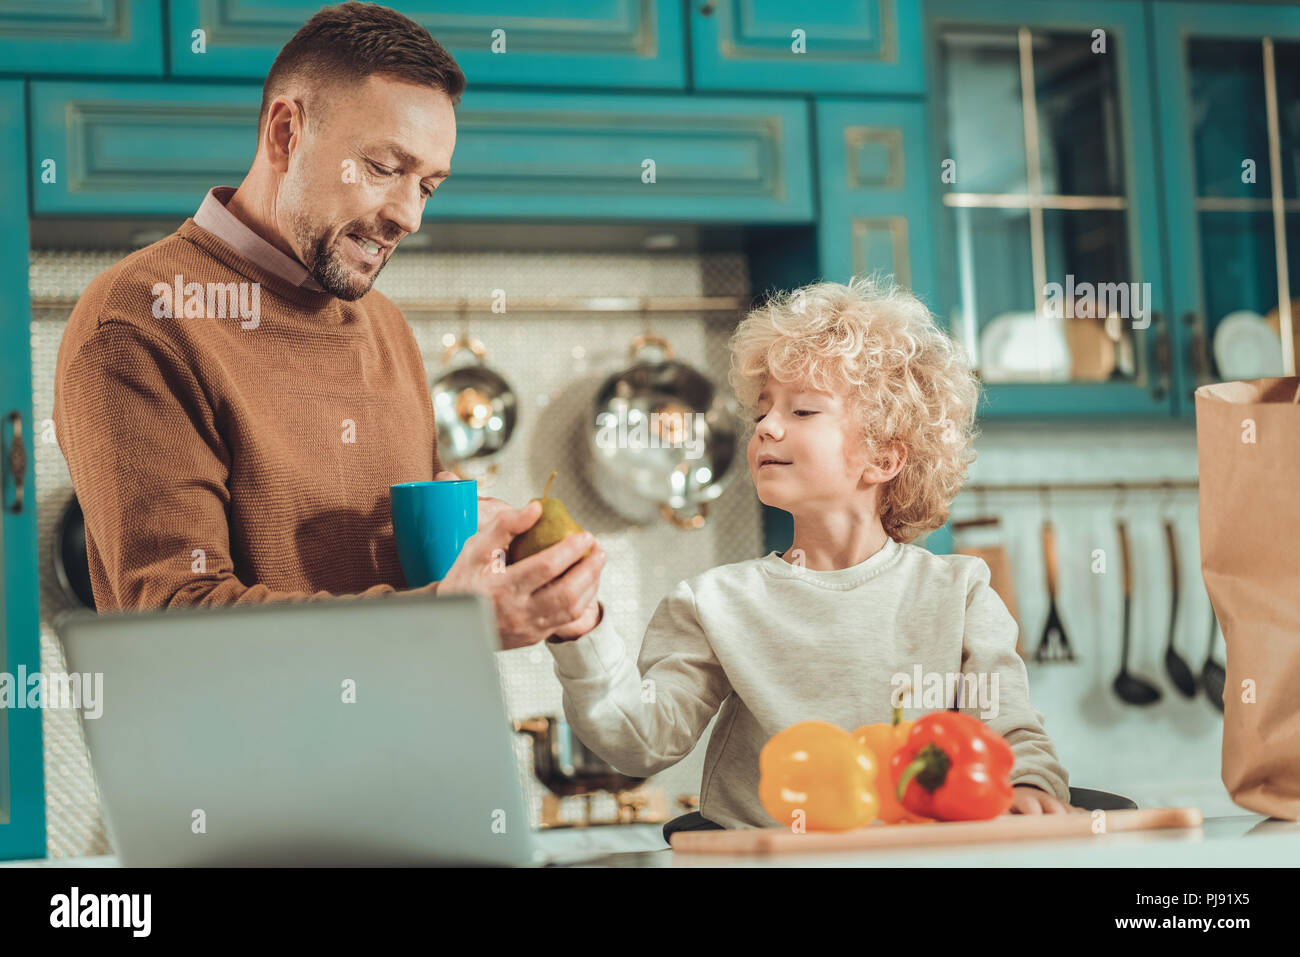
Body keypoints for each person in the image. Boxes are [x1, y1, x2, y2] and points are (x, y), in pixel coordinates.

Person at [52, 1, 606, 649]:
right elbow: (176, 623)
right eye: (383, 168)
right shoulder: (141, 318)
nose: (409, 216)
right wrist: (451, 620)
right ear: (286, 132)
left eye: (427, 185)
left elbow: (415, 579)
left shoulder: (384, 326)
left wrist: (523, 584)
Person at [545, 277, 1080, 827]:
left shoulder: (958, 592)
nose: (767, 428)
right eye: (761, 413)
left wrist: (1028, 786)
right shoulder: (714, 603)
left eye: (802, 412)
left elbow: (1011, 732)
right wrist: (577, 629)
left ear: (883, 459)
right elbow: (640, 742)